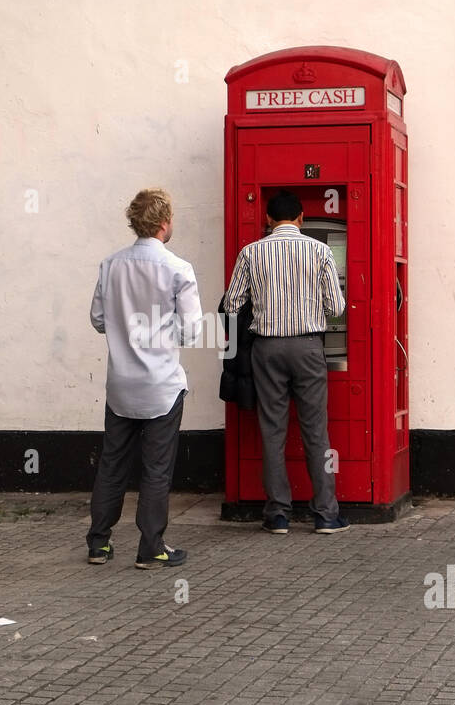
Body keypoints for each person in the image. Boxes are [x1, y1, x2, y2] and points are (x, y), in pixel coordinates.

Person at [222, 189, 350, 535]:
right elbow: (337, 307)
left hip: (267, 349)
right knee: (316, 432)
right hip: (309, 348)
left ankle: (277, 513)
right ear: (301, 218)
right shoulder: (321, 251)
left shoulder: (251, 253)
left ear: (267, 218)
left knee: (272, 430)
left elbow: (232, 305)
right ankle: (325, 513)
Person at [87, 187, 203, 568]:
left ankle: (99, 543)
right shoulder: (178, 269)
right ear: (164, 222)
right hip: (162, 386)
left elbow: (99, 320)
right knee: (156, 468)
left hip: (120, 385)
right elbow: (191, 331)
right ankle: (150, 547)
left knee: (111, 463)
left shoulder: (110, 265)